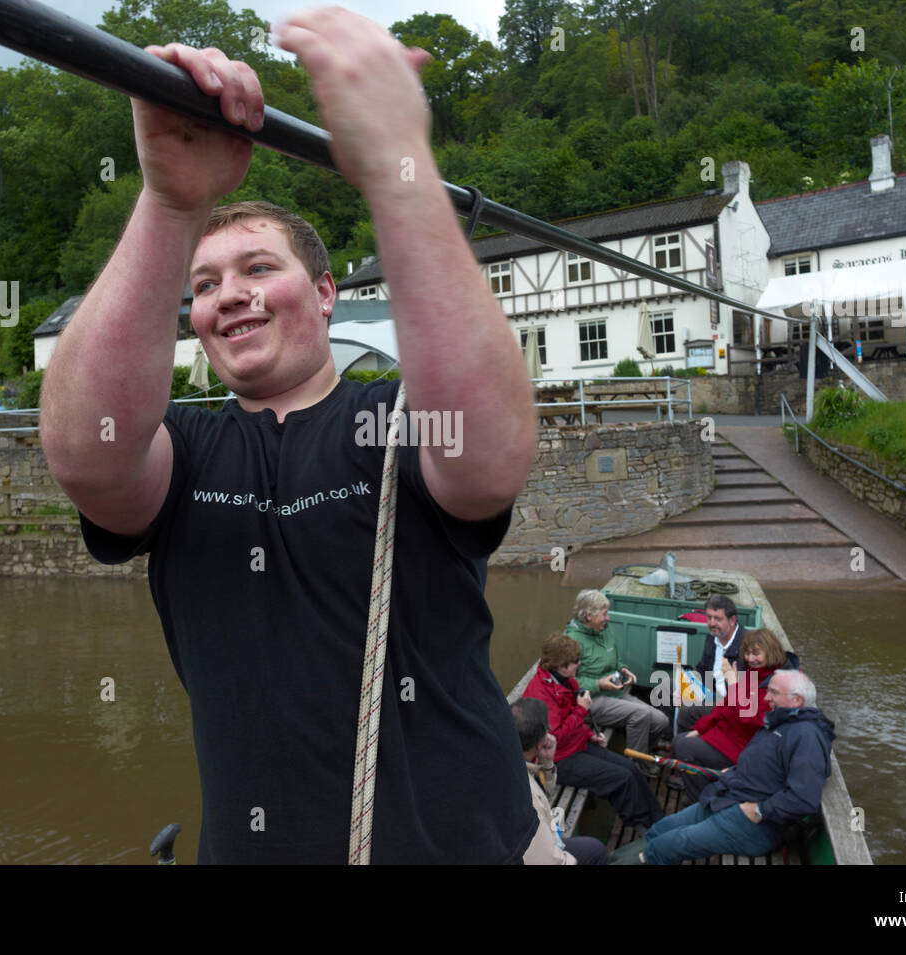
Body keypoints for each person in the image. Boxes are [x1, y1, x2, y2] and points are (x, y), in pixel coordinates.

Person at [40, 9, 539, 863]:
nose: (227, 294)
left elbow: (490, 456)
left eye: (258, 268)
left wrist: (395, 167)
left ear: (324, 293)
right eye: (204, 284)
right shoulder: (184, 452)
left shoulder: (390, 422)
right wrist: (170, 199)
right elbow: (87, 451)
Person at [642, 670, 834, 865]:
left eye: (774, 693)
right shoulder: (780, 722)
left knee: (665, 846)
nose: (767, 698)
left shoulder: (806, 737)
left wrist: (761, 810)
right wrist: (735, 771)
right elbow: (767, 763)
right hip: (729, 795)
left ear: (797, 700)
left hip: (755, 824)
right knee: (659, 830)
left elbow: (803, 798)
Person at [522, 634, 663, 831]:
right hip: (559, 759)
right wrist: (581, 710)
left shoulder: (566, 681)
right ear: (561, 666)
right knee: (622, 778)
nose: (579, 664)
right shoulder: (542, 694)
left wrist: (590, 734)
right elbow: (555, 739)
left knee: (631, 770)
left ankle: (659, 820)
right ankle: (645, 828)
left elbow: (571, 720)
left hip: (577, 745)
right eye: (575, 662)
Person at [671, 629, 799, 801]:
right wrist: (701, 729)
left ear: (770, 652)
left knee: (683, 746)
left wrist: (732, 683)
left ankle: (701, 801)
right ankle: (704, 785)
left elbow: (750, 719)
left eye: (756, 654)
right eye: (747, 653)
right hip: (733, 732)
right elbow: (728, 705)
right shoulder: (755, 673)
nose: (750, 659)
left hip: (747, 746)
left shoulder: (777, 683)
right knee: (683, 737)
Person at [565, 589, 670, 763]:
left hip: (615, 692)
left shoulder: (604, 629)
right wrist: (599, 683)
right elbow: (569, 681)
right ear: (589, 616)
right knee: (641, 714)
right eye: (604, 613)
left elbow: (614, 656)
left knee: (661, 721)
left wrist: (623, 669)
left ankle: (643, 754)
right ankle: (636, 766)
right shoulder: (572, 642)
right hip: (591, 700)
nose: (608, 618)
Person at [512, 698, 608, 865]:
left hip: (538, 834)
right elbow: (547, 860)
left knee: (592, 847)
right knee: (595, 851)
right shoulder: (526, 793)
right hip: (532, 852)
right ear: (541, 741)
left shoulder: (513, 759)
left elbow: (546, 790)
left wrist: (547, 762)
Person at [676, 594, 746, 732]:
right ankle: (666, 741)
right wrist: (685, 687)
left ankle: (682, 746)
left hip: (730, 702)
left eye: (718, 619)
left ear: (732, 620)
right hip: (711, 691)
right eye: (709, 617)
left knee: (687, 711)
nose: (712, 623)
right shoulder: (713, 637)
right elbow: (702, 670)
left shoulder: (746, 644)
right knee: (670, 687)